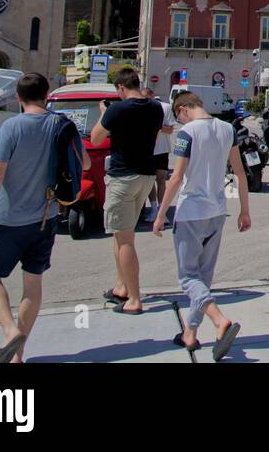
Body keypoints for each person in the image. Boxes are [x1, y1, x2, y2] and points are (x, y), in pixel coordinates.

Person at [0, 73, 89, 362]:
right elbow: (85, 163)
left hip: (7, 218)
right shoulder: (63, 125)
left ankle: (9, 331)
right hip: (46, 217)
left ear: (18, 98)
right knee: (33, 284)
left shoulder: (12, 127)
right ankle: (18, 355)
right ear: (47, 94)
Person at [154, 91, 250, 361]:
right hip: (218, 212)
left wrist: (161, 214)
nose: (179, 121)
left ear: (184, 109)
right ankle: (191, 333)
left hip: (191, 212)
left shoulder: (188, 134)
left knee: (188, 277)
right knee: (203, 277)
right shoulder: (227, 129)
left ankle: (220, 321)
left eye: (178, 116)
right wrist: (245, 211)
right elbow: (240, 174)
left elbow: (176, 177)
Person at [91, 67, 165, 314]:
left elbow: (96, 139)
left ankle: (134, 299)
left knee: (125, 241)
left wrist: (104, 114)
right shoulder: (155, 108)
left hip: (123, 176)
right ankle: (121, 286)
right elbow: (153, 138)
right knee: (121, 233)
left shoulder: (116, 110)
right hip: (145, 175)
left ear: (121, 88)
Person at [143, 87, 175, 223]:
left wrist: (156, 126)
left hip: (161, 149)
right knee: (149, 180)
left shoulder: (165, 108)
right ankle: (154, 208)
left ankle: (162, 210)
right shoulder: (140, 109)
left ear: (152, 96)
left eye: (146, 99)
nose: (144, 102)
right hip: (146, 150)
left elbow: (170, 130)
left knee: (161, 179)